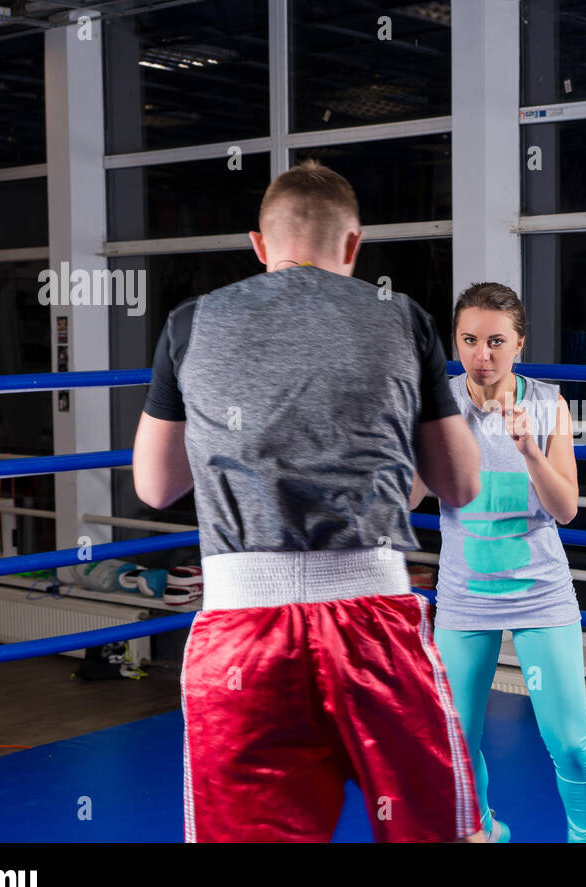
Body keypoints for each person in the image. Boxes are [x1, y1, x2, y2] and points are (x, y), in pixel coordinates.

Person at [132, 160, 486, 843]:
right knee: (439, 833)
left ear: (259, 245)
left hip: (241, 627)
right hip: (373, 620)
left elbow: (155, 486)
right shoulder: (402, 317)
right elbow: (462, 485)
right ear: (353, 245)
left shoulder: (190, 321)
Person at [411, 282, 586, 843]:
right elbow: (409, 499)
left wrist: (528, 451)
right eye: (469, 340)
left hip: (541, 592)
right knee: (457, 742)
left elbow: (565, 509)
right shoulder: (438, 405)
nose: (482, 355)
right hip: (466, 597)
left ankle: (584, 837)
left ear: (519, 343)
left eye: (496, 341)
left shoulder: (549, 404)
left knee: (570, 740)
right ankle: (486, 828)